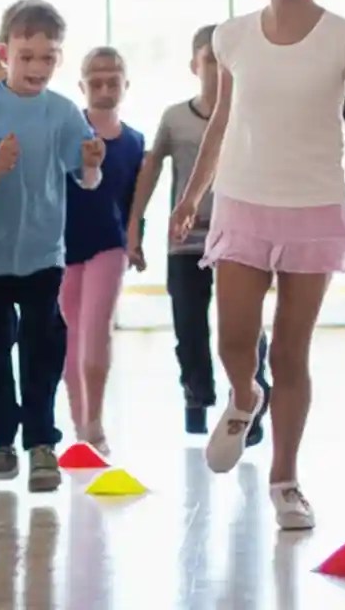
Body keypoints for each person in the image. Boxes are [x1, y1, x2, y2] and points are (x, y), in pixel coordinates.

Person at [169, 0, 345, 531]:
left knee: (291, 352)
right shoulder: (232, 36)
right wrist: (192, 195)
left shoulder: (344, 39)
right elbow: (220, 122)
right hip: (242, 206)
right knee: (233, 342)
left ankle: (286, 479)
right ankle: (244, 399)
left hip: (314, 210)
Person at [0, 0, 106, 492]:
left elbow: (85, 181)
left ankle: (41, 443)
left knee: (42, 350)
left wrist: (91, 162)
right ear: (4, 53)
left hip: (44, 255)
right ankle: (3, 435)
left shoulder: (64, 112)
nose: (37, 67)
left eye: (48, 57)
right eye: (26, 57)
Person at [126, 25, 272, 443]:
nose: (217, 69)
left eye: (225, 62)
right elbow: (151, 168)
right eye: (210, 60)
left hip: (239, 242)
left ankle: (251, 400)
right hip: (187, 242)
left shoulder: (248, 115)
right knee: (189, 324)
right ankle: (197, 393)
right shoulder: (175, 117)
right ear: (195, 64)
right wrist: (135, 225)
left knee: (245, 327)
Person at [59, 46, 146, 457]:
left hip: (109, 245)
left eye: (113, 81)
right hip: (62, 246)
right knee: (70, 334)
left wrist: (136, 240)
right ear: (82, 86)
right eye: (96, 82)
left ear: (125, 85)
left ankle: (94, 422)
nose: (105, 88)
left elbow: (133, 200)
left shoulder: (133, 141)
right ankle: (80, 423)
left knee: (96, 330)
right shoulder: (67, 133)